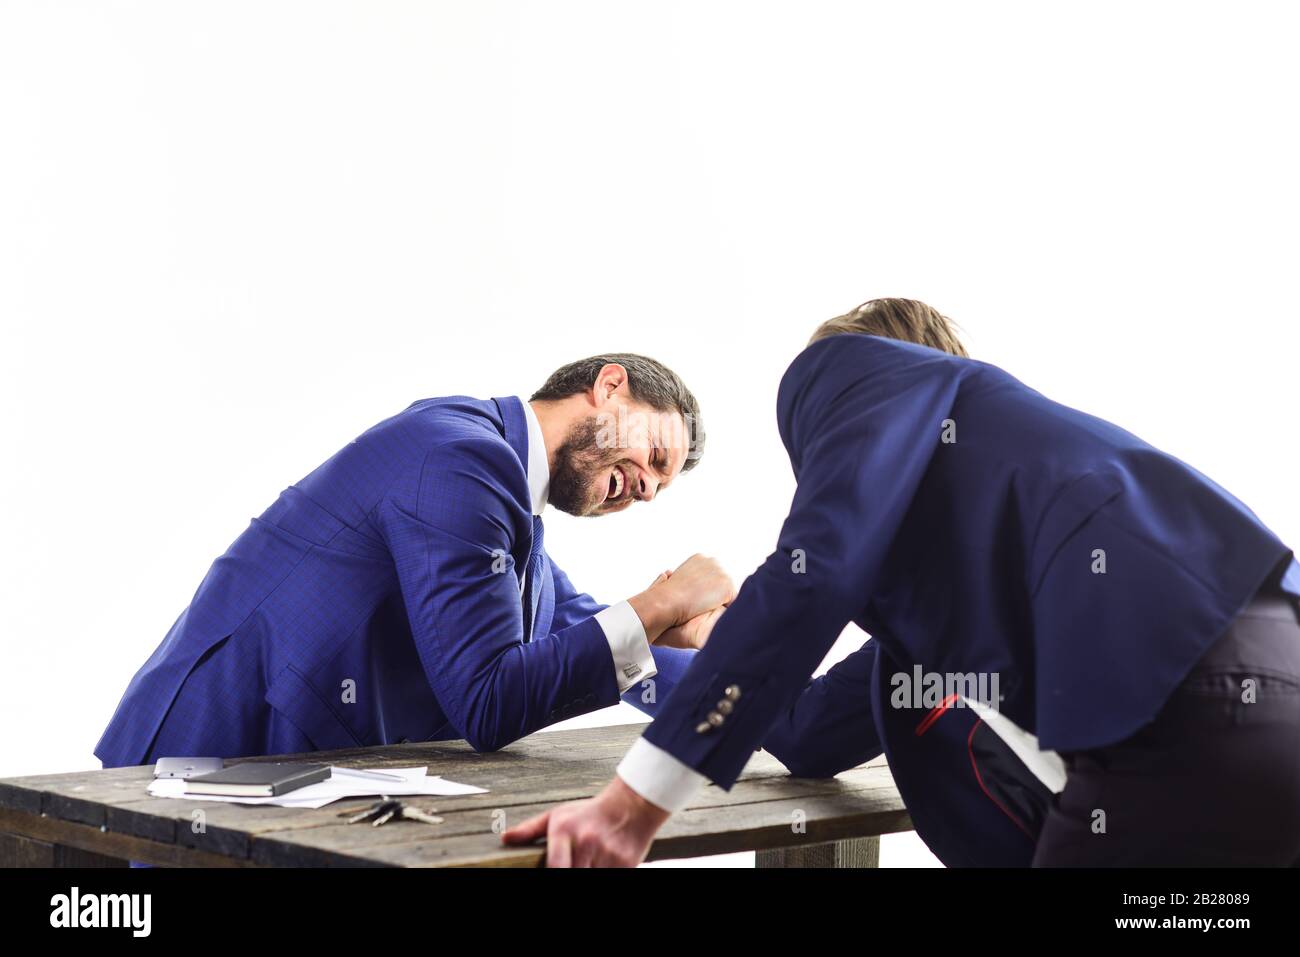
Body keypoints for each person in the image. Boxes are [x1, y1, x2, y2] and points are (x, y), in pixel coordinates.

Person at [504, 299, 1300, 867]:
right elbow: (813, 731)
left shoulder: (848, 368)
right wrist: (676, 645)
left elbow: (814, 574)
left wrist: (630, 805)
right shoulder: (946, 620)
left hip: (1194, 706)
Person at [95, 354, 734, 769]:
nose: (649, 488)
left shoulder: (510, 505)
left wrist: (742, 688)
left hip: (272, 782)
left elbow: (573, 628)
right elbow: (488, 700)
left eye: (663, 483)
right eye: (655, 455)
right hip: (206, 758)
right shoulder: (461, 460)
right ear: (610, 385)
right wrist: (659, 604)